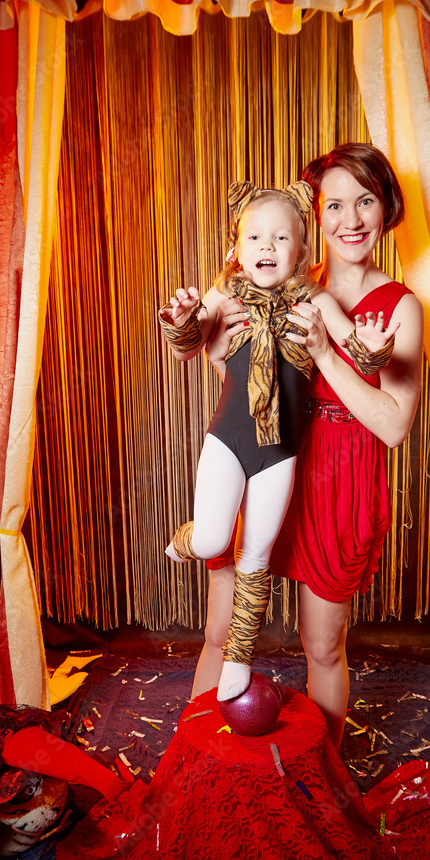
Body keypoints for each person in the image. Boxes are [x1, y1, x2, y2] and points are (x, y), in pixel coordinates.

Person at [191, 145, 423, 747]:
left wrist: (325, 351)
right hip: (264, 457)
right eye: (335, 205)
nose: (351, 220)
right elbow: (235, 370)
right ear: (313, 215)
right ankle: (194, 770)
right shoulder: (279, 272)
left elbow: (394, 425)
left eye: (366, 201)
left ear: (386, 208)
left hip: (335, 482)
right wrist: (213, 342)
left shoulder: (399, 306)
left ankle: (326, 779)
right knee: (221, 631)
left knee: (321, 645)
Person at [159, 178, 396, 702]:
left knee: (256, 558)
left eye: (281, 238)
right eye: (255, 238)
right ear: (238, 249)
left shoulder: (315, 299)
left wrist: (374, 346)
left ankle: (239, 658)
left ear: (301, 250)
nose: (267, 246)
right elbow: (190, 343)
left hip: (279, 455)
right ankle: (186, 541)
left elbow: (356, 351)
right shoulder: (227, 292)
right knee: (215, 541)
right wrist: (181, 321)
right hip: (227, 441)